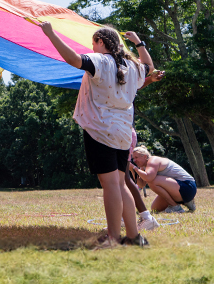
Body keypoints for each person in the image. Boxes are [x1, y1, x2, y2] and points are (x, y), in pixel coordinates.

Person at [40, 21, 155, 248]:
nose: (92, 48)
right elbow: (149, 67)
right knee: (120, 184)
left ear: (101, 42)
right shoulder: (132, 66)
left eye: (94, 43)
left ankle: (113, 238)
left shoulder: (101, 61)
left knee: (111, 185)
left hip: (100, 130)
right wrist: (139, 44)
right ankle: (133, 237)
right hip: (123, 133)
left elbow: (73, 60)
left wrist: (50, 33)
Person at [130, 147, 198, 213]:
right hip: (180, 188)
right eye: (133, 158)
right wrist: (132, 170)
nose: (134, 160)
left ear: (145, 156)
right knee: (155, 208)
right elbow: (141, 184)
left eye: (136, 157)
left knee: (152, 181)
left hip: (188, 187)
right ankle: (187, 202)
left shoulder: (153, 160)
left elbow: (149, 178)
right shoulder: (143, 167)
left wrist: (134, 168)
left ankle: (175, 207)